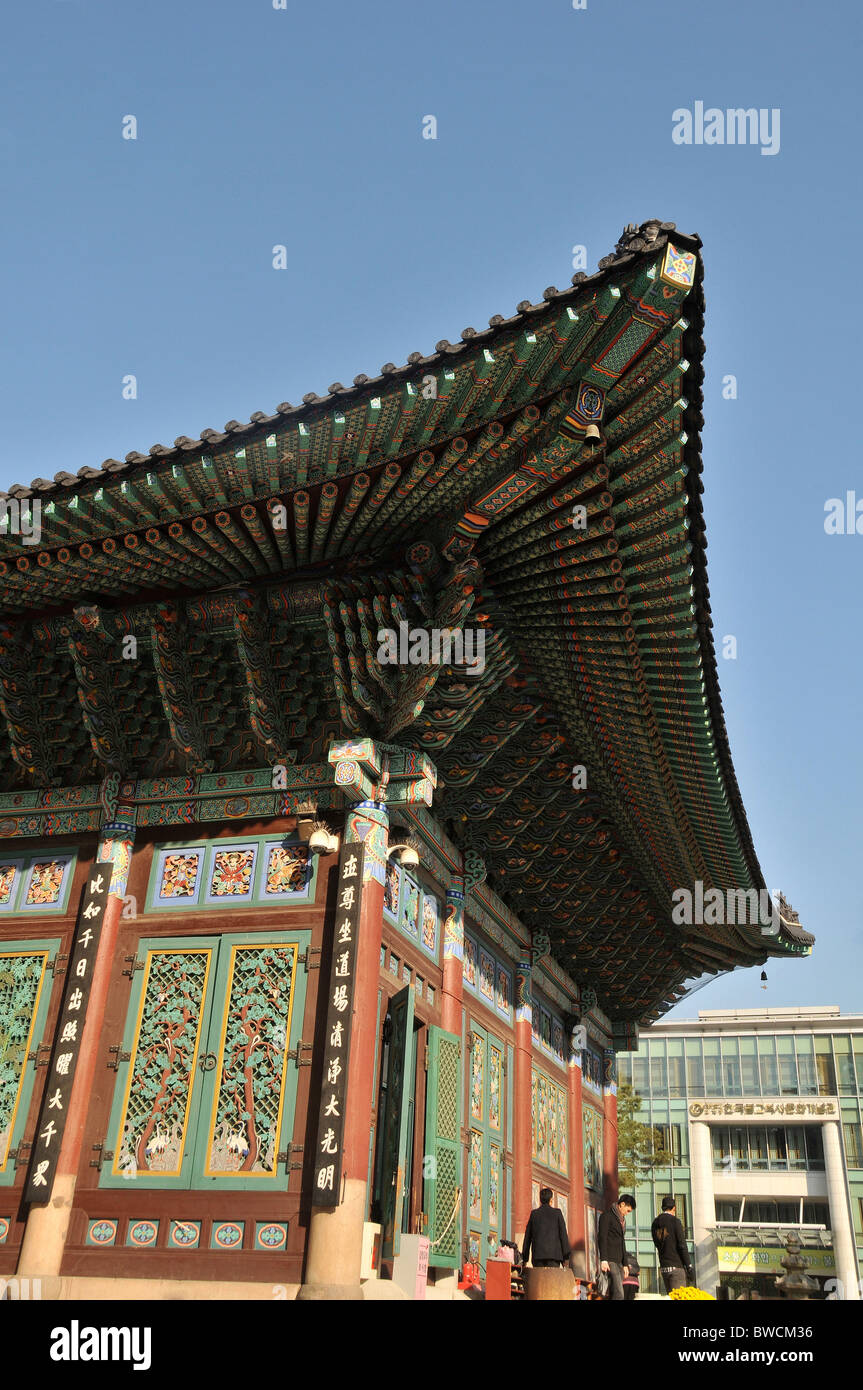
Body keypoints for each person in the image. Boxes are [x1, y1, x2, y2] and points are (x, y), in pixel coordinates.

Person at [651, 1196, 694, 1294]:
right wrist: (689, 1266)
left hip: (664, 1267)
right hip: (676, 1267)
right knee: (679, 1297)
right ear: (674, 1208)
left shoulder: (655, 1223)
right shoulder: (675, 1221)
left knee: (670, 1296)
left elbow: (657, 1243)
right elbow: (682, 1245)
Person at [598, 1193, 636, 1300]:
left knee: (614, 1292)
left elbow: (622, 1242)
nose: (627, 1213)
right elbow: (602, 1238)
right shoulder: (606, 1216)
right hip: (610, 1260)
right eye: (628, 1210)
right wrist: (604, 1259)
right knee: (619, 1293)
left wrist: (625, 1264)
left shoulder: (622, 1221)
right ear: (622, 1204)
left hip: (619, 1262)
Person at [522, 1187, 571, 1268]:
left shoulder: (534, 1214)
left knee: (539, 1276)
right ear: (551, 1200)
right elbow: (563, 1235)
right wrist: (566, 1257)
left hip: (538, 1257)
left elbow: (528, 1237)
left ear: (540, 1200)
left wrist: (525, 1258)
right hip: (554, 1257)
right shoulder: (557, 1213)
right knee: (552, 1276)